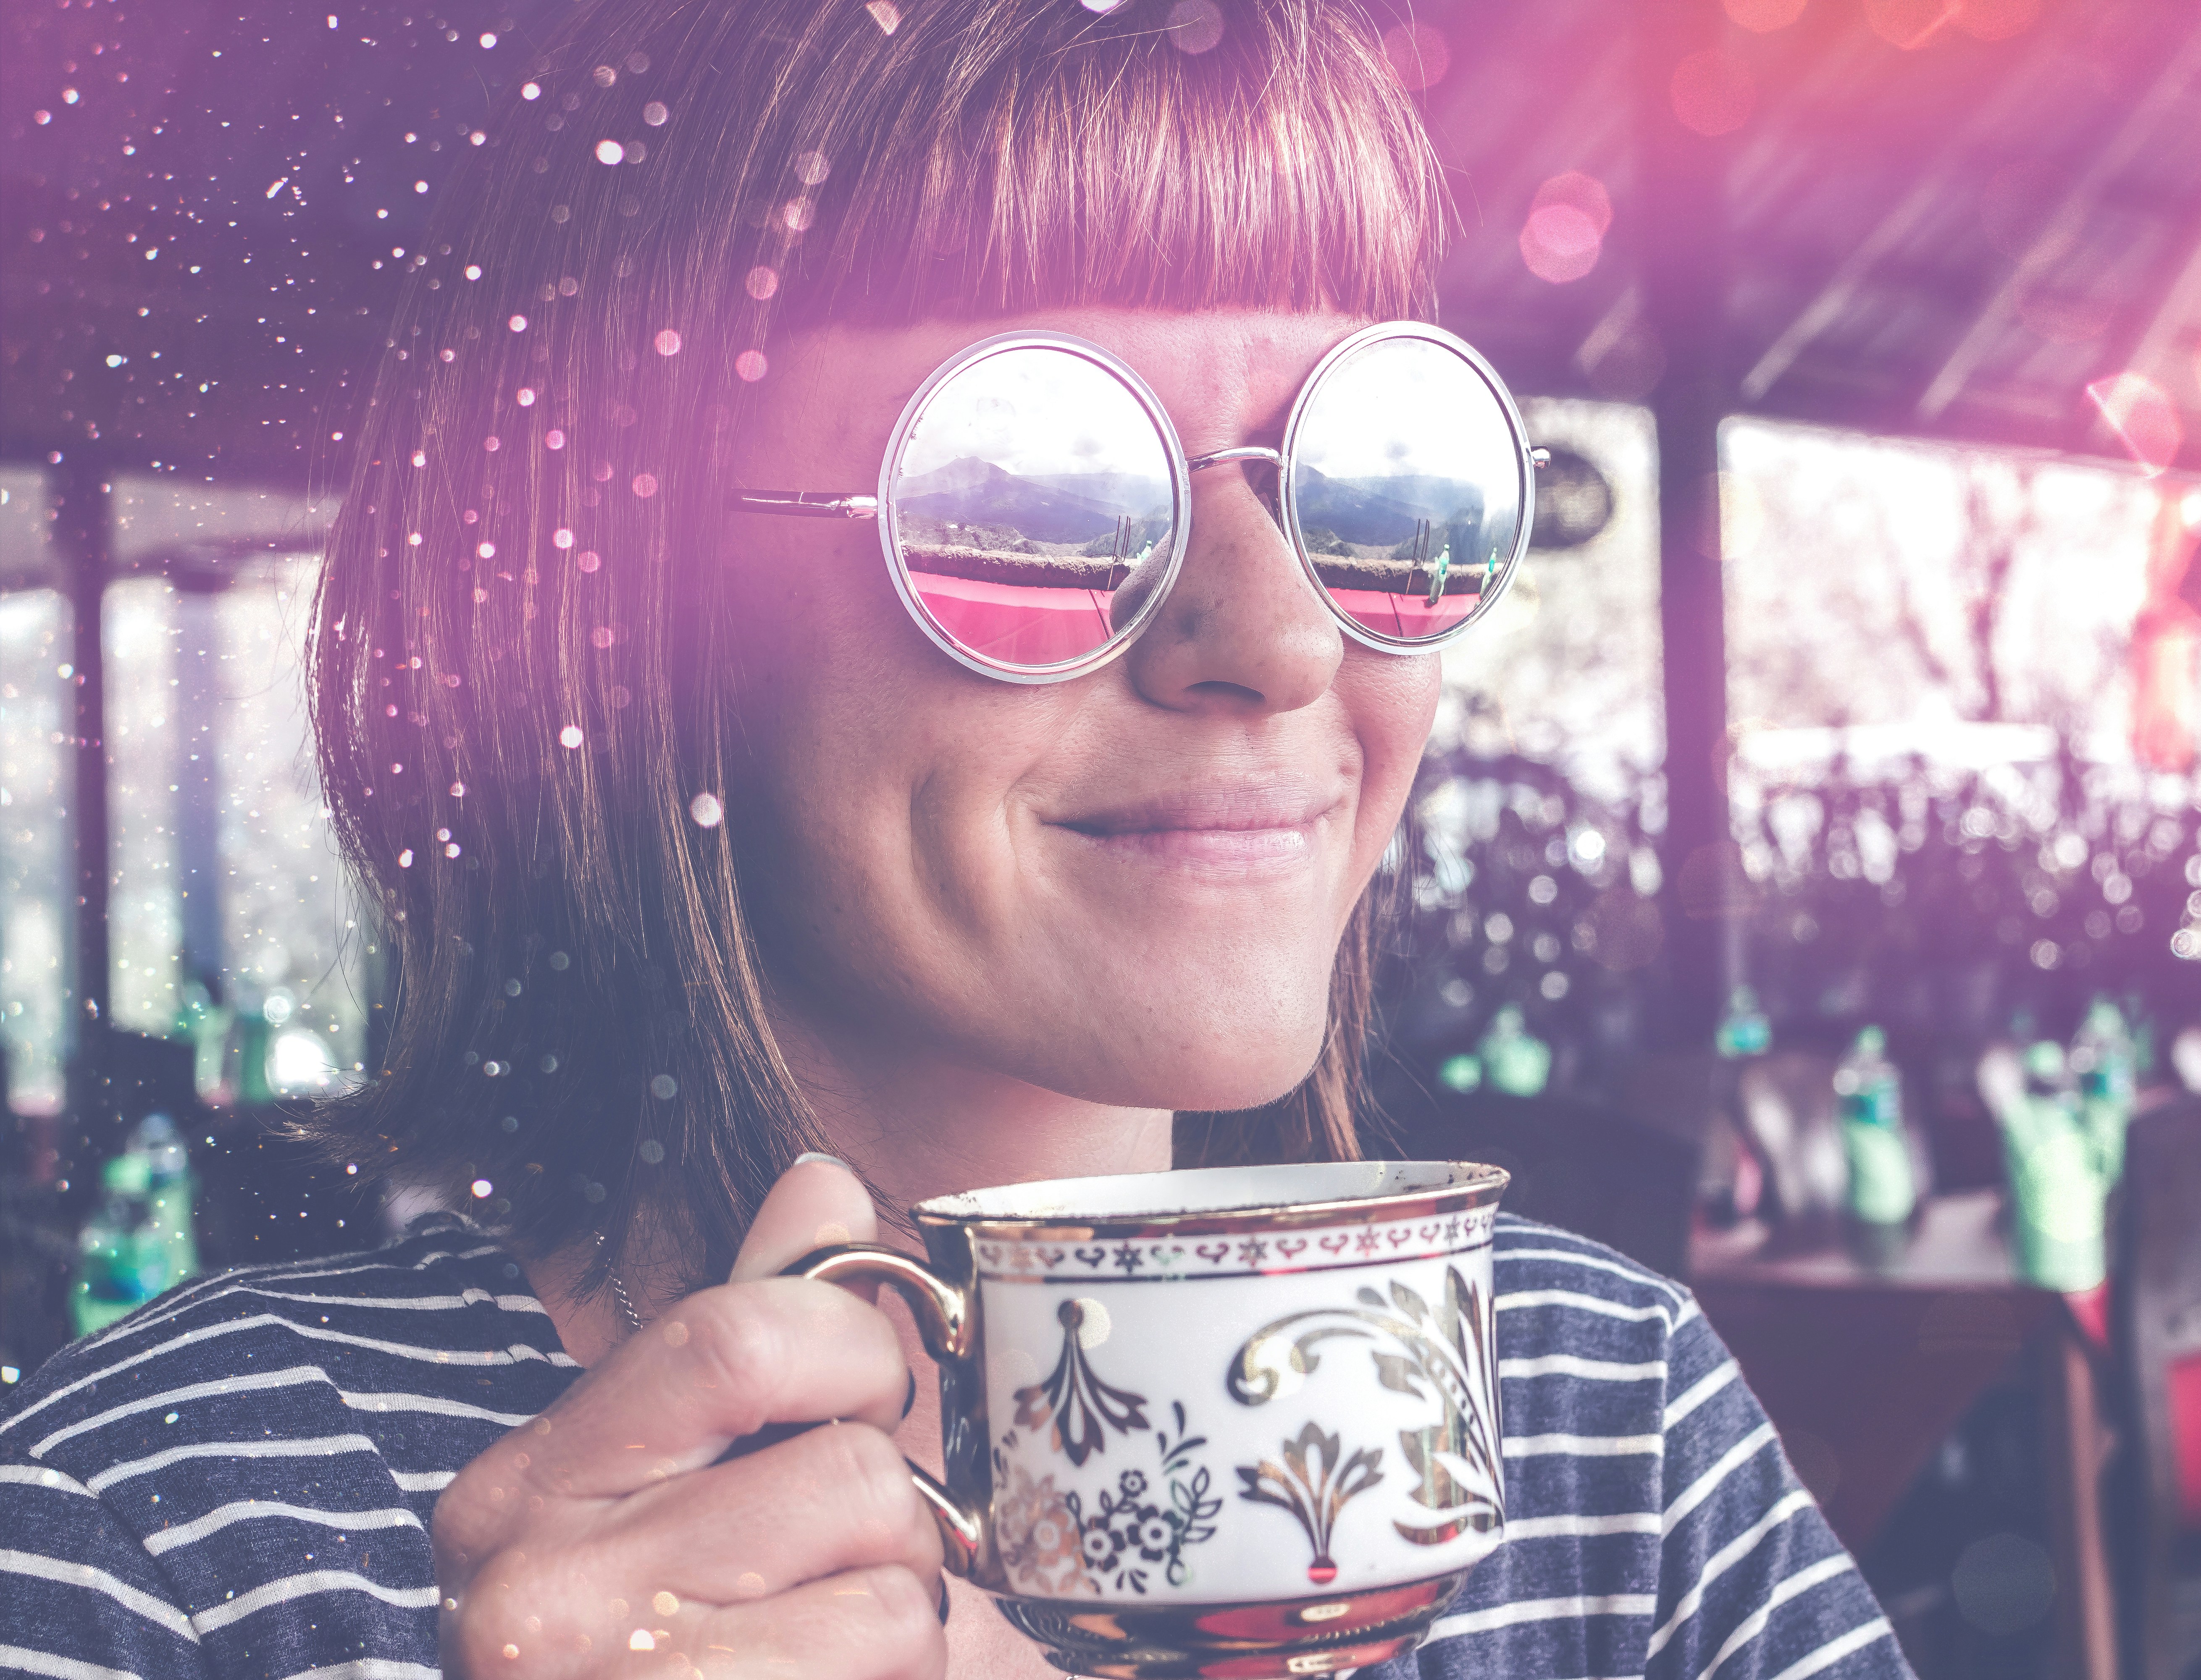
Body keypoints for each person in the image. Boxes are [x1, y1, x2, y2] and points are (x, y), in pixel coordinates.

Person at [0, 1, 1909, 1676]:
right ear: (630, 604)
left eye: (1359, 470)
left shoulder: (1608, 1439)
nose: (1277, 636)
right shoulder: (142, 1556)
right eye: (1039, 493)